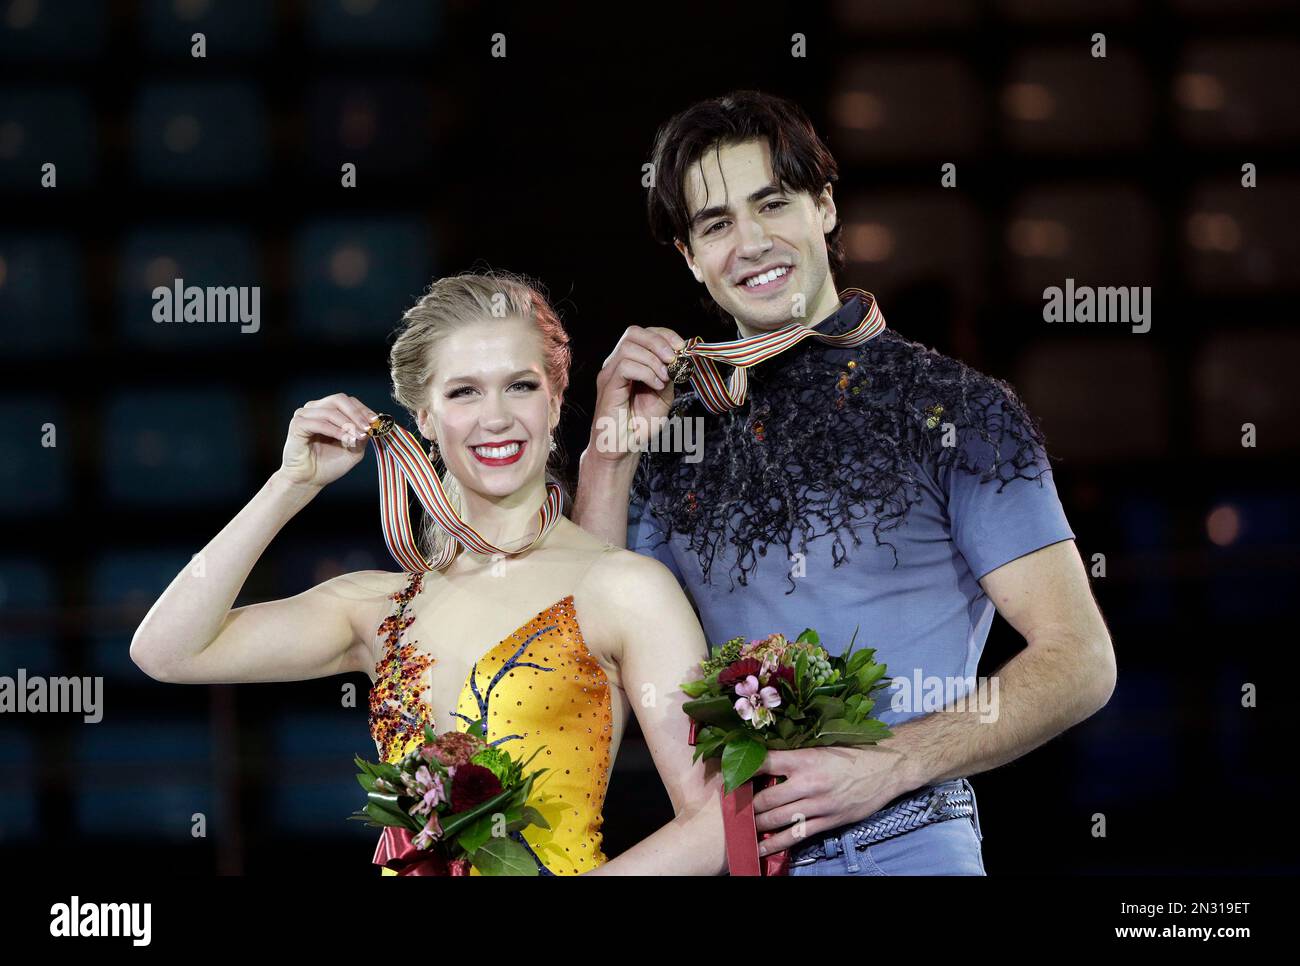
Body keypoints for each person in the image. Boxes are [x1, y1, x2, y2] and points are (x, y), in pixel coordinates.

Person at [573, 90, 1117, 875]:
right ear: (689, 256)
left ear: (825, 206)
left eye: (773, 203)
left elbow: (1081, 658)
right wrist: (608, 456)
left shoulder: (958, 408)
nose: (751, 243)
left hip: (913, 849)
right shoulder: (662, 435)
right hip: (738, 861)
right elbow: (591, 685)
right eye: (716, 223)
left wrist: (889, 764)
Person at [130, 270, 727, 876]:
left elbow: (717, 823)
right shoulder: (378, 606)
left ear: (553, 402)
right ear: (424, 418)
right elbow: (166, 651)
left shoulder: (624, 586)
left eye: (518, 386)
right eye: (463, 392)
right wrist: (289, 486)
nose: (495, 417)